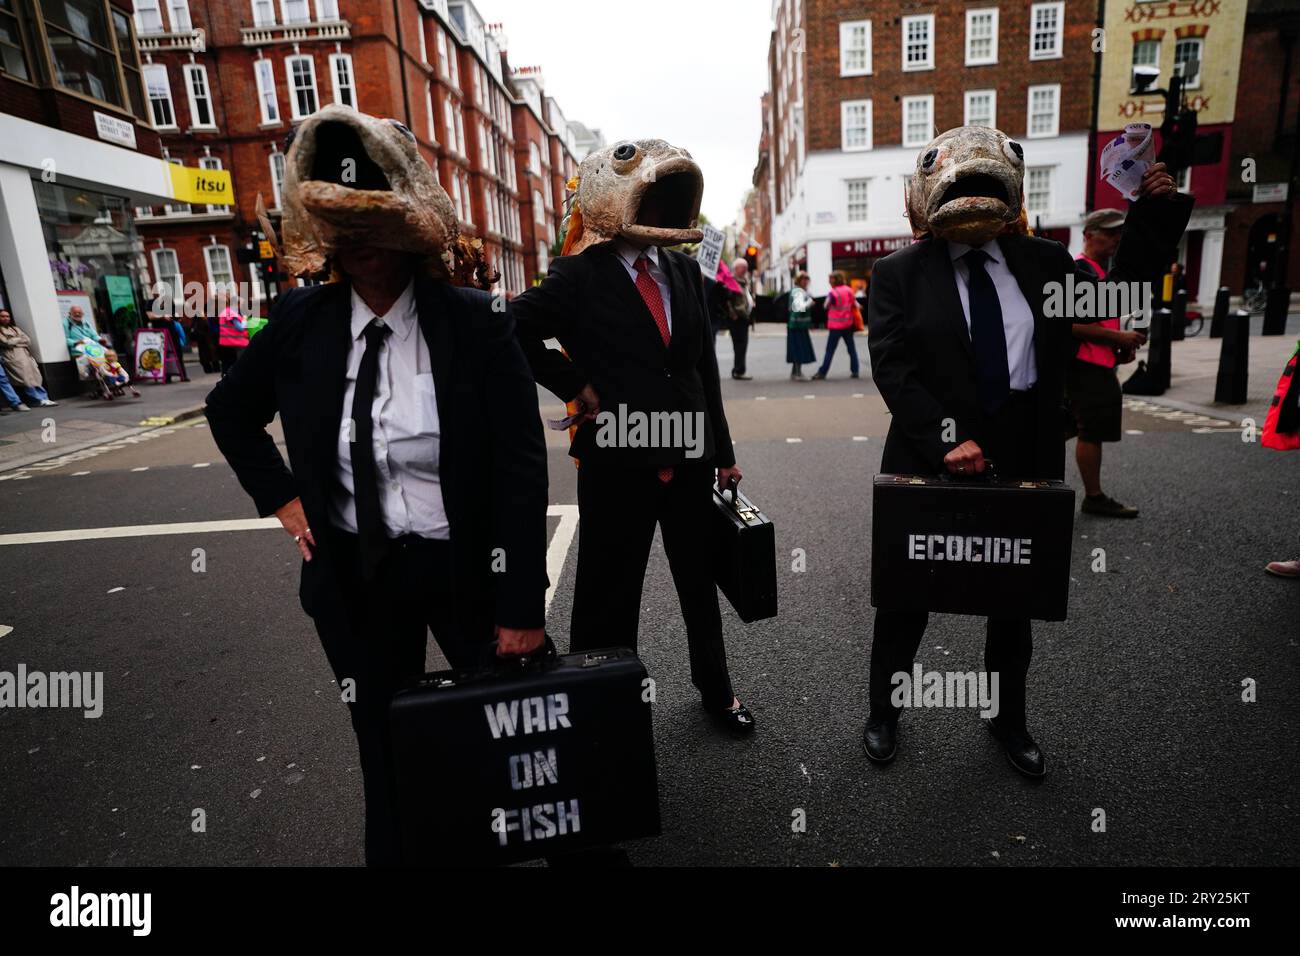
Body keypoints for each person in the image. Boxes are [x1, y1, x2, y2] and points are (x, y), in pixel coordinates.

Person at [205, 107, 550, 866]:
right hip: (357, 575)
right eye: (346, 230)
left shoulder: (475, 322)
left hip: (469, 571)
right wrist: (287, 502)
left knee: (504, 728)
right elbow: (229, 411)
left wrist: (522, 605)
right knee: (384, 742)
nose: (361, 247)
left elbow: (524, 466)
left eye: (374, 227)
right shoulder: (301, 319)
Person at [863, 124, 1191, 779]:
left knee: (1011, 601)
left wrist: (1153, 211)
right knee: (907, 599)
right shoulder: (896, 273)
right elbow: (893, 366)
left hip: (1024, 461)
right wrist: (948, 439)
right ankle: (884, 710)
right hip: (932, 460)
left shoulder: (1043, 263)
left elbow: (1119, 293)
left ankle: (1008, 719)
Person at [512, 138, 755, 736]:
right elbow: (514, 328)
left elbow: (701, 371)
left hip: (690, 458)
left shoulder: (685, 271)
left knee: (699, 584)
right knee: (607, 591)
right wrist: (575, 384)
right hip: (617, 465)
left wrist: (722, 453)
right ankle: (605, 703)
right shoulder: (577, 274)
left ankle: (716, 691)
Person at [1068, 209, 1149, 518]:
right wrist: (1118, 340)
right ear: (1089, 235)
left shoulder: (1100, 272)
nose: (1117, 239)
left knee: (1085, 428)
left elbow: (1099, 319)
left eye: (1120, 233)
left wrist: (1119, 346)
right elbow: (1069, 325)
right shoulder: (1078, 270)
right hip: (1084, 364)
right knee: (1089, 430)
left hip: (1098, 362)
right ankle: (1093, 496)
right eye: (1110, 232)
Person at [0, 309, 57, 408]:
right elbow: (6, 343)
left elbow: (27, 340)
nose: (6, 318)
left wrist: (14, 341)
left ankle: (44, 398)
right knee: (25, 379)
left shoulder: (15, 328)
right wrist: (19, 339)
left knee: (35, 377)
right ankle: (37, 399)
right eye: (3, 316)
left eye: (7, 316)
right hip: (13, 358)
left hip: (25, 355)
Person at [811, 271, 860, 380]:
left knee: (830, 350)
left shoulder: (833, 293)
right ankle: (855, 370)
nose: (829, 281)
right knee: (851, 349)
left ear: (835, 280)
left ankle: (822, 372)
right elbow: (856, 304)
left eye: (830, 279)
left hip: (835, 326)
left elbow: (825, 305)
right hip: (848, 324)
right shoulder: (849, 290)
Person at [724, 258, 754, 380]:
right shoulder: (731, 281)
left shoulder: (744, 281)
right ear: (736, 268)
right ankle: (738, 371)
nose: (745, 269)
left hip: (744, 317)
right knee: (739, 345)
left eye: (746, 267)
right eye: (743, 267)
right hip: (737, 318)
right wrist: (732, 314)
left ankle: (739, 370)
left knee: (742, 345)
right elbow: (727, 300)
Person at [787, 272, 816, 380]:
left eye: (807, 280)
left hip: (797, 325)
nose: (806, 282)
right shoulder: (798, 292)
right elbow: (798, 308)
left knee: (796, 349)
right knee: (799, 349)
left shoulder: (799, 291)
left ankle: (794, 373)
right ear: (799, 281)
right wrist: (810, 302)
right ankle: (798, 374)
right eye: (803, 280)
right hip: (797, 325)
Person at [216, 290, 250, 376]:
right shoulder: (231, 313)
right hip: (236, 342)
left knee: (228, 364)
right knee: (240, 364)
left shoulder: (225, 312)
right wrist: (245, 320)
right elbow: (240, 328)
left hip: (226, 341)